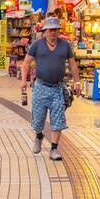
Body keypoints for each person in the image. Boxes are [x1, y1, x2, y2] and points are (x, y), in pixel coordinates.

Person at [20, 16, 79, 161]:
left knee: (57, 119)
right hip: (40, 86)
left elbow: (72, 64)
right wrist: (23, 81)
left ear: (59, 31)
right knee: (38, 119)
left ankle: (54, 149)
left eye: (55, 30)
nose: (53, 33)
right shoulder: (37, 45)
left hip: (57, 88)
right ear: (45, 31)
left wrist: (77, 83)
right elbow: (26, 63)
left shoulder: (65, 45)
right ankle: (39, 135)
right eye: (50, 30)